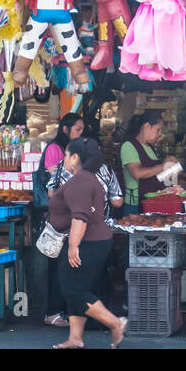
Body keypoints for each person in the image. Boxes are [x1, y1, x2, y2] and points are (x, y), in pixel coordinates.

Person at [48, 138, 127, 348]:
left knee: (73, 290)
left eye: (66, 155)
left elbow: (80, 217)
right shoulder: (87, 178)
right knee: (75, 288)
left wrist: (73, 246)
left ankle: (115, 323)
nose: (64, 159)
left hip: (87, 242)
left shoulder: (80, 181)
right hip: (94, 240)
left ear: (75, 158)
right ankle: (75, 338)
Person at [38, 112, 85, 328]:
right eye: (77, 129)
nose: (80, 134)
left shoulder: (72, 151)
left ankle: (61, 310)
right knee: (59, 267)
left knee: (67, 267)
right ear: (65, 129)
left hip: (69, 218)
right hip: (58, 221)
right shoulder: (55, 149)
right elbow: (54, 188)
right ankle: (52, 311)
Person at [119, 114, 177, 212]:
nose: (160, 134)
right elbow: (137, 173)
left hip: (152, 204)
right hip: (135, 205)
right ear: (147, 126)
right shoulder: (128, 146)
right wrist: (163, 166)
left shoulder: (150, 148)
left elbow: (156, 176)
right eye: (158, 129)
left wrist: (173, 168)